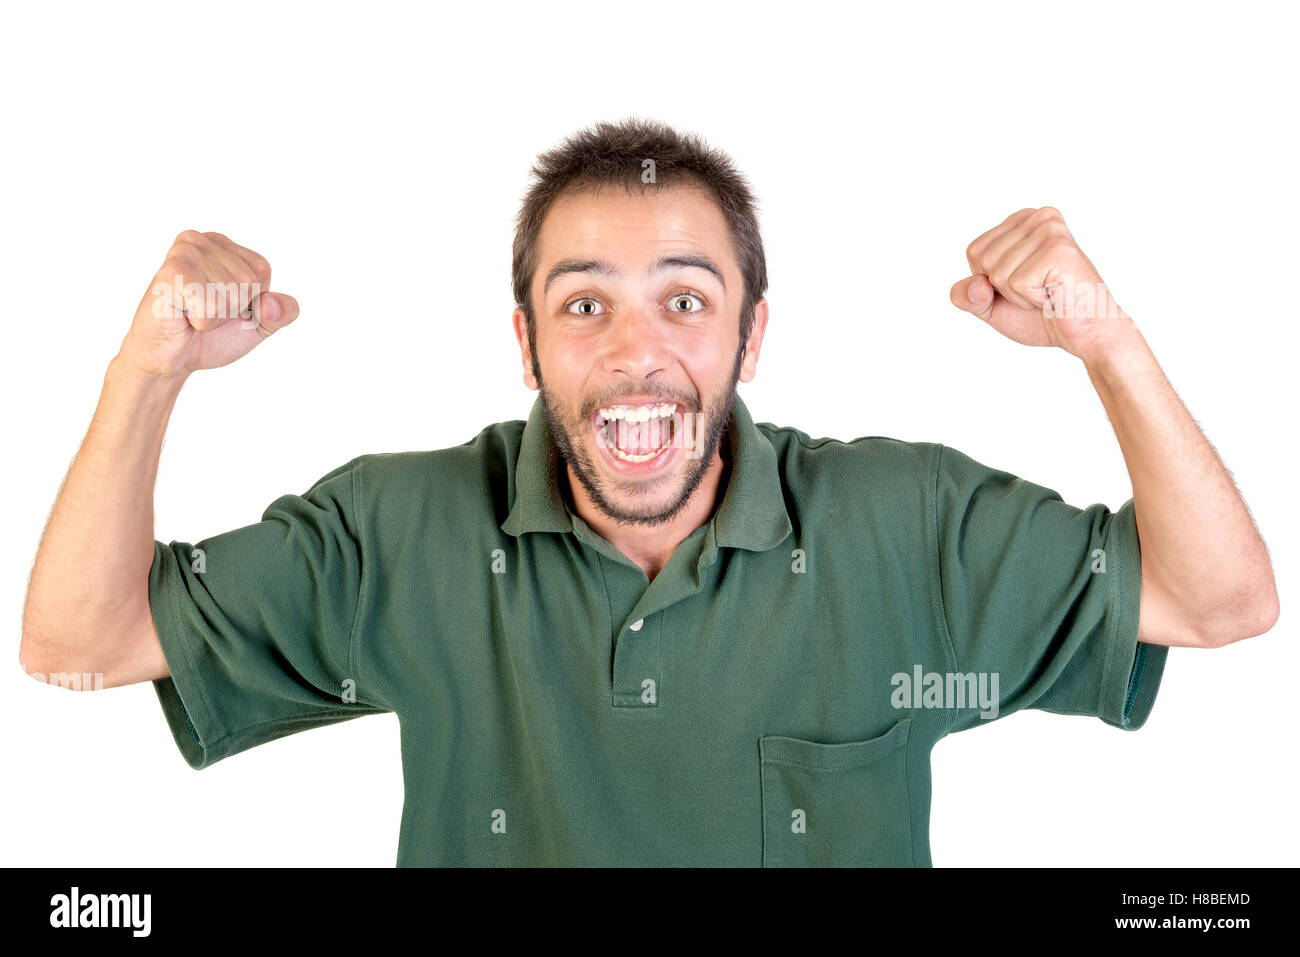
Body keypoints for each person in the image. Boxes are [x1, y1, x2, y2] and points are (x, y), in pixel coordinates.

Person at [20, 118, 1279, 866]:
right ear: (524, 341)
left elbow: (1218, 602)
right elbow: (78, 645)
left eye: (685, 299)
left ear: (751, 333)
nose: (635, 352)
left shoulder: (907, 525)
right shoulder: (396, 533)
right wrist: (149, 369)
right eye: (584, 305)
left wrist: (1106, 338)